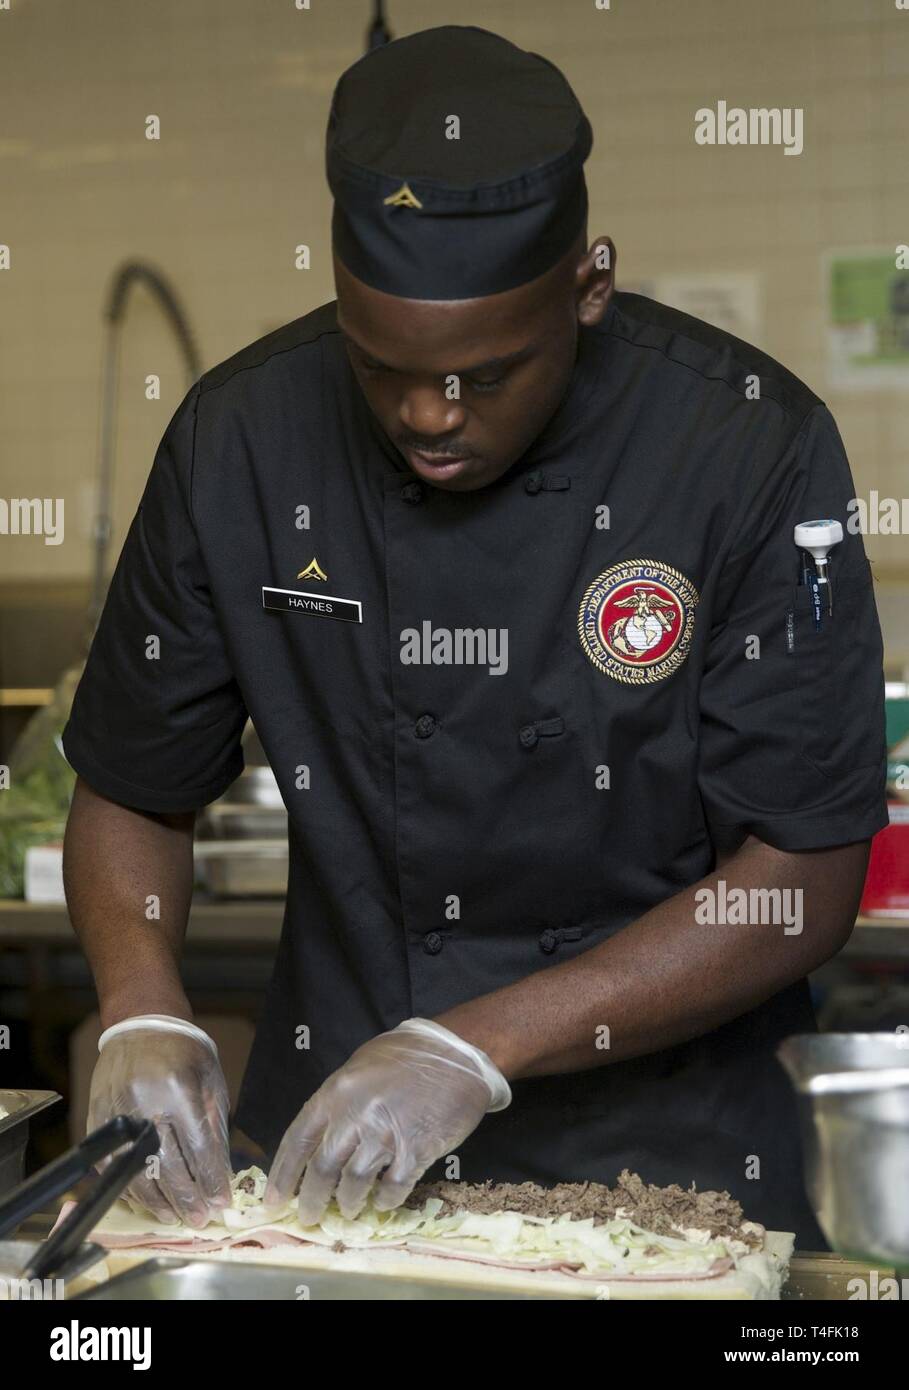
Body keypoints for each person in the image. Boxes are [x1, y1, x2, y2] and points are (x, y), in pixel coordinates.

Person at [62, 26, 887, 1245]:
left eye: (487, 376)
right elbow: (135, 783)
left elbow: (803, 874)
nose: (425, 418)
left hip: (672, 1175)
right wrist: (141, 1004)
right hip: (335, 1172)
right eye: (378, 365)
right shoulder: (241, 439)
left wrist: (472, 1045)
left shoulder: (745, 447)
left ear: (589, 286)